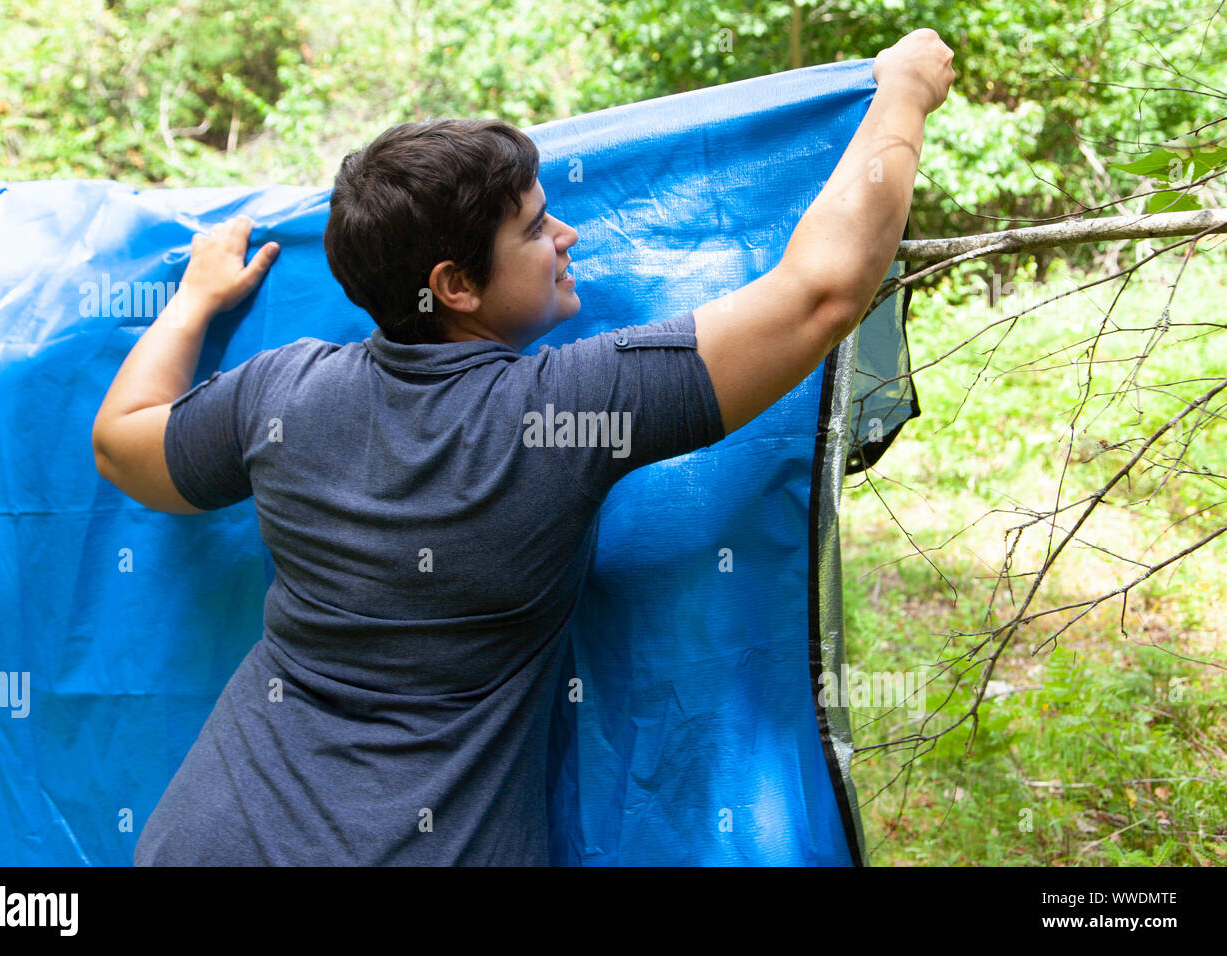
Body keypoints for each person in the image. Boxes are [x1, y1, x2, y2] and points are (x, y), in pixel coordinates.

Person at [91, 29, 954, 865]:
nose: (567, 237)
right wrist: (905, 93)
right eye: (536, 230)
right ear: (455, 286)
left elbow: (122, 444)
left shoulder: (277, 391)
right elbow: (820, 295)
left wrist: (194, 301)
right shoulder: (559, 414)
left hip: (205, 837)